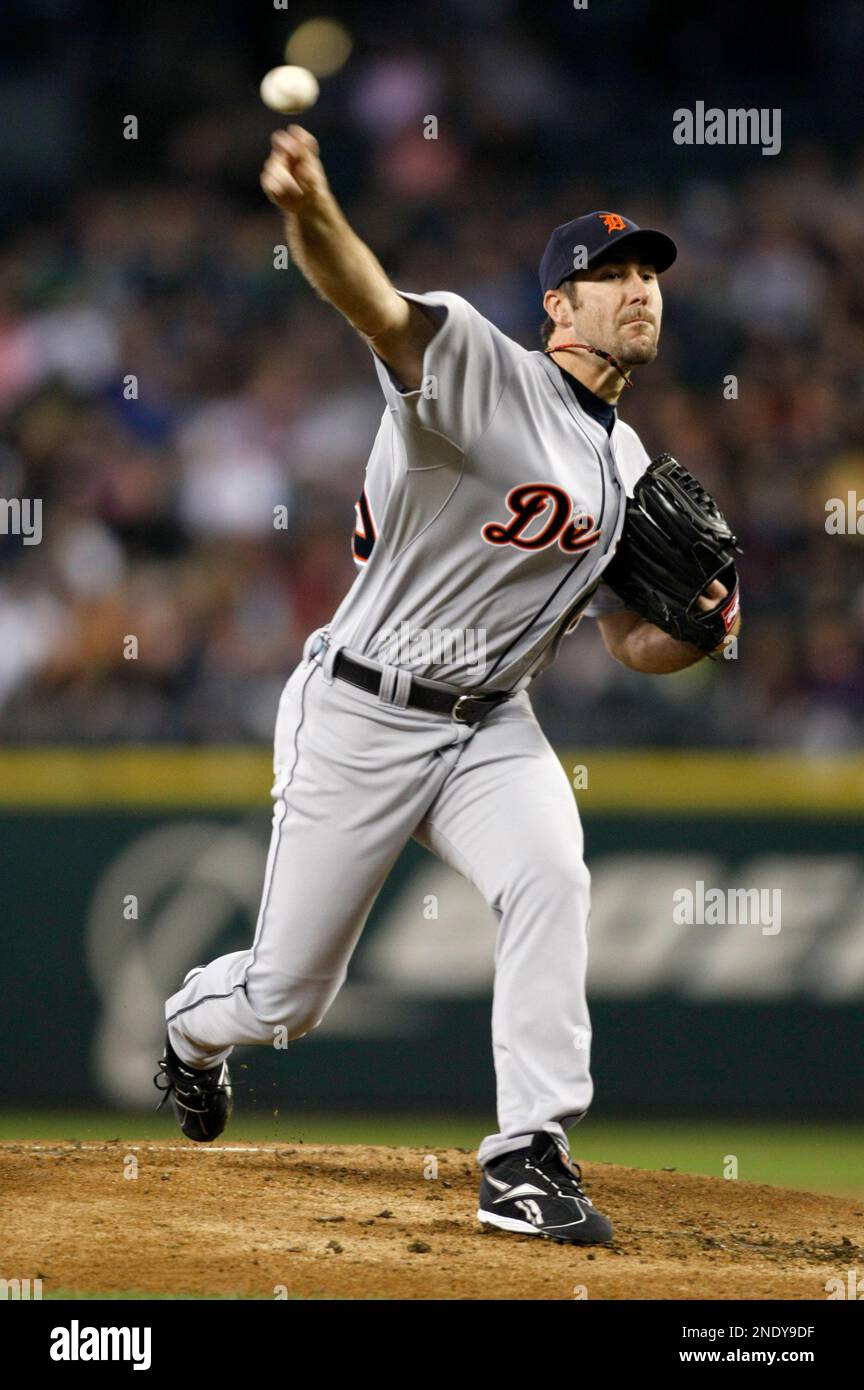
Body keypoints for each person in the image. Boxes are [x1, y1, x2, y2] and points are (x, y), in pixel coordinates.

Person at [155, 127, 734, 1246]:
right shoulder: (477, 365)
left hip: (491, 725)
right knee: (288, 999)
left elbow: (629, 647)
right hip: (363, 709)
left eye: (649, 273)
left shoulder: (625, 468)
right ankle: (189, 1034)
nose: (637, 292)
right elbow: (366, 296)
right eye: (607, 275)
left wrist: (705, 633)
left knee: (552, 877)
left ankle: (528, 1153)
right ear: (556, 308)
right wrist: (312, 206)